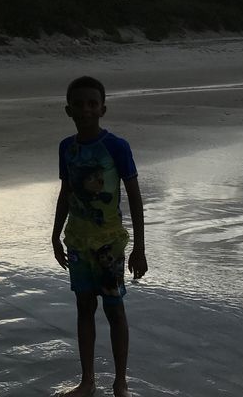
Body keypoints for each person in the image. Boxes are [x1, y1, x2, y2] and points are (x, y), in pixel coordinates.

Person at [51, 76, 148, 397]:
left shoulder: (116, 147)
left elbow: (134, 196)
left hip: (109, 242)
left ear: (103, 109)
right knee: (84, 307)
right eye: (78, 104)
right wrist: (55, 236)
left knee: (114, 308)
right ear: (69, 110)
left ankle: (120, 383)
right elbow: (66, 193)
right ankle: (87, 381)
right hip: (77, 240)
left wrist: (140, 247)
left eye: (92, 104)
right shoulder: (68, 147)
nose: (85, 110)